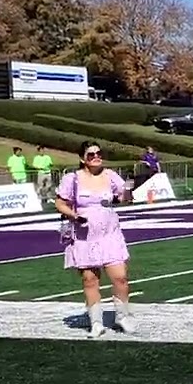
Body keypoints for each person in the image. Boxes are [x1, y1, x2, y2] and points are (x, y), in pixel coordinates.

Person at [55, 141, 137, 338]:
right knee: (90, 279)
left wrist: (127, 190)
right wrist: (74, 216)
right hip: (85, 236)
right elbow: (60, 203)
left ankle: (122, 316)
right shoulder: (72, 178)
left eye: (99, 153)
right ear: (83, 159)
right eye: (91, 155)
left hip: (110, 233)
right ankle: (96, 322)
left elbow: (125, 197)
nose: (96, 157)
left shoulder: (110, 175)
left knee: (120, 277)